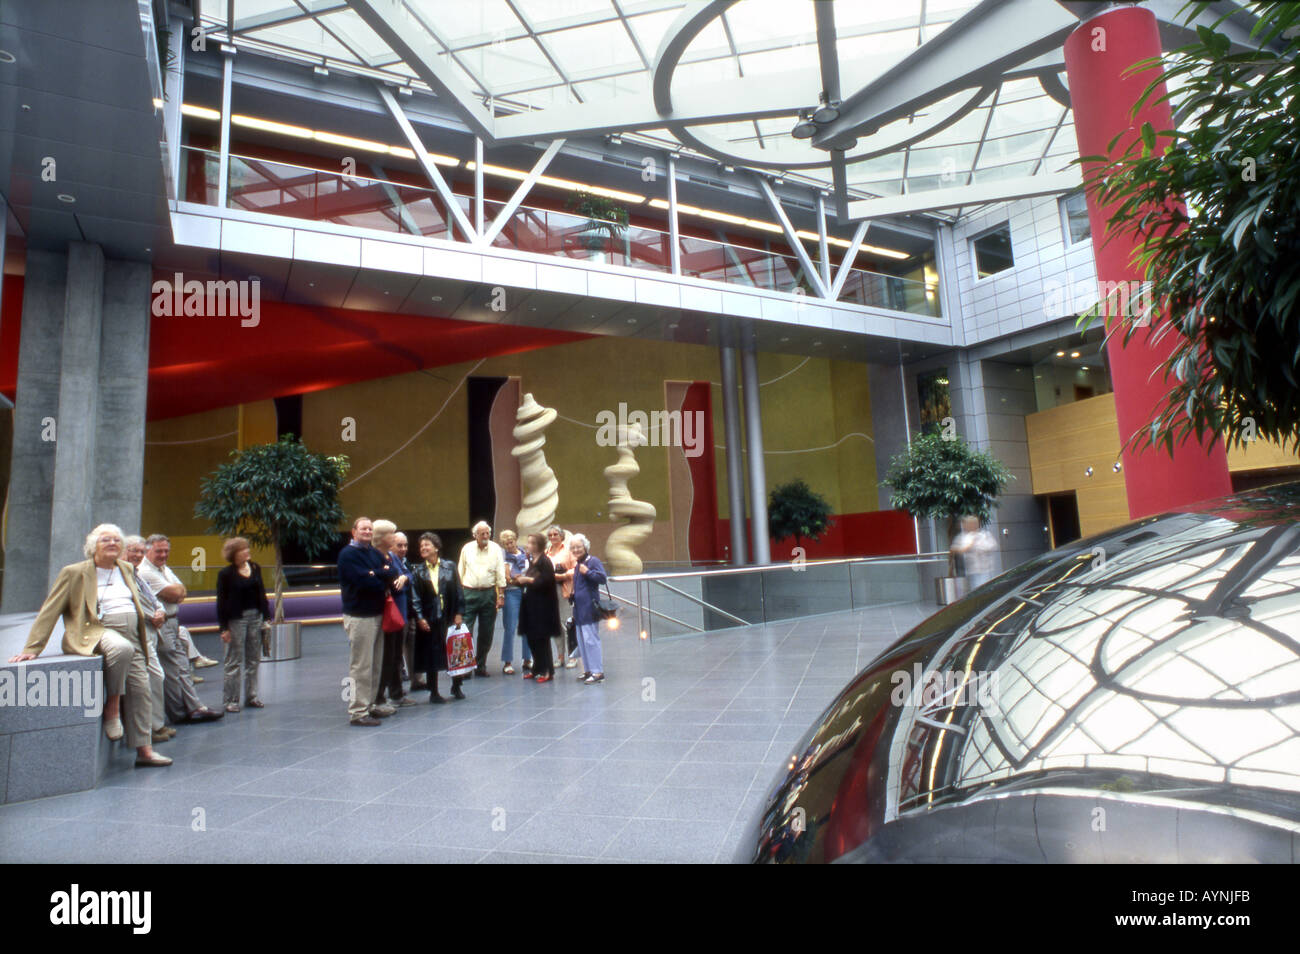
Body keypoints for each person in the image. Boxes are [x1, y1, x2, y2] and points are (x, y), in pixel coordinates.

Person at [8, 524, 172, 766]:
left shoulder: (126, 568)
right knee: (121, 649)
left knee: (141, 688)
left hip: (135, 634)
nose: (113, 543)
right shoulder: (74, 572)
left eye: (117, 540)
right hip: (97, 631)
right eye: (106, 539)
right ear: (93, 545)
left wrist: (155, 614)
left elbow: (142, 599)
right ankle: (112, 707)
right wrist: (32, 648)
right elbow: (50, 610)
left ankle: (144, 751)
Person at [123, 535, 221, 739]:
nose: (163, 555)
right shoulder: (145, 572)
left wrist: (177, 592)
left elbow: (181, 591)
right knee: (169, 670)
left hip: (171, 621)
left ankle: (188, 709)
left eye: (166, 551)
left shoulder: (160, 570)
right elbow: (175, 594)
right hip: (158, 625)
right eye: (158, 551)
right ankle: (179, 713)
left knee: (180, 667)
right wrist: (176, 592)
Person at [337, 516, 404, 726]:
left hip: (376, 615)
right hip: (359, 617)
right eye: (363, 529)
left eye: (369, 529)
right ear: (353, 532)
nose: (367, 532)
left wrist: (378, 573)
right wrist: (379, 574)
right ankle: (357, 711)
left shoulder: (372, 553)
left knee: (375, 664)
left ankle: (371, 704)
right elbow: (364, 582)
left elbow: (392, 572)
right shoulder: (348, 554)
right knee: (361, 666)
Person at [215, 536, 272, 713]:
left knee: (253, 659)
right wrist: (223, 627)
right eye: (243, 549)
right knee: (233, 660)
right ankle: (231, 700)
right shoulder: (225, 574)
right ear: (234, 554)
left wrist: (266, 616)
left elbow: (261, 592)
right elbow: (221, 601)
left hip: (255, 616)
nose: (247, 552)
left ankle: (251, 696)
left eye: (247, 548)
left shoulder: (255, 568)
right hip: (235, 619)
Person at [409, 532, 465, 703]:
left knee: (454, 651)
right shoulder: (418, 571)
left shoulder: (450, 566)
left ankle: (456, 686)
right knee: (432, 654)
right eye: (421, 546)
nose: (423, 548)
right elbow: (415, 597)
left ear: (436, 547)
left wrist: (459, 613)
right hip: (430, 618)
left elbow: (458, 591)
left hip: (448, 615)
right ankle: (433, 691)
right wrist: (419, 617)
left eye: (427, 545)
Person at [372, 520, 417, 709]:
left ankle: (397, 694)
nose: (395, 538)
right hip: (387, 613)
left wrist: (405, 577)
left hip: (400, 613)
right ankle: (380, 697)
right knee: (387, 657)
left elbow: (409, 574)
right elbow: (383, 580)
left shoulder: (392, 557)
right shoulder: (375, 557)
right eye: (392, 535)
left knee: (396, 655)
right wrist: (394, 579)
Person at [457, 520, 505, 677]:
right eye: (482, 533)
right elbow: (460, 572)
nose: (485, 536)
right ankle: (465, 665)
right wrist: (459, 595)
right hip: (469, 592)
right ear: (475, 535)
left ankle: (481, 664)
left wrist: (501, 595)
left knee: (487, 632)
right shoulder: (467, 548)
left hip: (489, 594)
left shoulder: (496, 549)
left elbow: (500, 572)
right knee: (465, 630)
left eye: (488, 533)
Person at [515, 533, 560, 683]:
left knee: (542, 639)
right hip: (531, 606)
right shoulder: (533, 561)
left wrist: (526, 579)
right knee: (532, 638)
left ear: (536, 545)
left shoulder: (545, 562)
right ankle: (537, 668)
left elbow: (545, 582)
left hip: (542, 608)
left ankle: (547, 670)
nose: (527, 546)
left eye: (530, 543)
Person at [568, 534, 608, 685]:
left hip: (589, 608)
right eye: (573, 548)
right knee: (582, 640)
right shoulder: (579, 564)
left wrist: (588, 572)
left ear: (585, 547)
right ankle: (588, 670)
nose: (576, 550)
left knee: (591, 640)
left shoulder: (593, 561)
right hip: (579, 609)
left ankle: (598, 672)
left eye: (578, 547)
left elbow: (602, 579)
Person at [393, 532, 425, 691]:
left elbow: (410, 578)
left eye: (405, 545)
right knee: (397, 651)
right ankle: (397, 687)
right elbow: (398, 583)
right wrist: (407, 577)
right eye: (399, 545)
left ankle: (416, 679)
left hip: (411, 612)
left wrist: (407, 576)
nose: (403, 548)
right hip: (399, 614)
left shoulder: (406, 563)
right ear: (391, 545)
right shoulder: (391, 561)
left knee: (413, 648)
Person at [498, 529, 531, 675]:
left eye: (511, 541)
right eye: (506, 543)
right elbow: (506, 577)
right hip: (512, 592)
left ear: (515, 540)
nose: (509, 545)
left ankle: (527, 659)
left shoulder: (525, 553)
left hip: (527, 592)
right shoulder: (504, 557)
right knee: (510, 627)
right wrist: (516, 579)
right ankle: (508, 661)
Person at [545, 525, 577, 669]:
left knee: (567, 624)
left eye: (555, 534)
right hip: (549, 591)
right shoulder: (546, 552)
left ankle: (572, 656)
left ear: (561, 536)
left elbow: (576, 568)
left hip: (564, 588)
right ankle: (560, 656)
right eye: (550, 535)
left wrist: (563, 575)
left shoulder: (568, 550)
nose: (553, 537)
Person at [950, 515, 999, 590]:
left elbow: (992, 546)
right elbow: (954, 549)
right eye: (968, 524)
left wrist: (978, 547)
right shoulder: (961, 537)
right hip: (969, 570)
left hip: (985, 569)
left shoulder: (984, 535)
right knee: (973, 590)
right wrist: (967, 547)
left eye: (973, 523)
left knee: (984, 589)